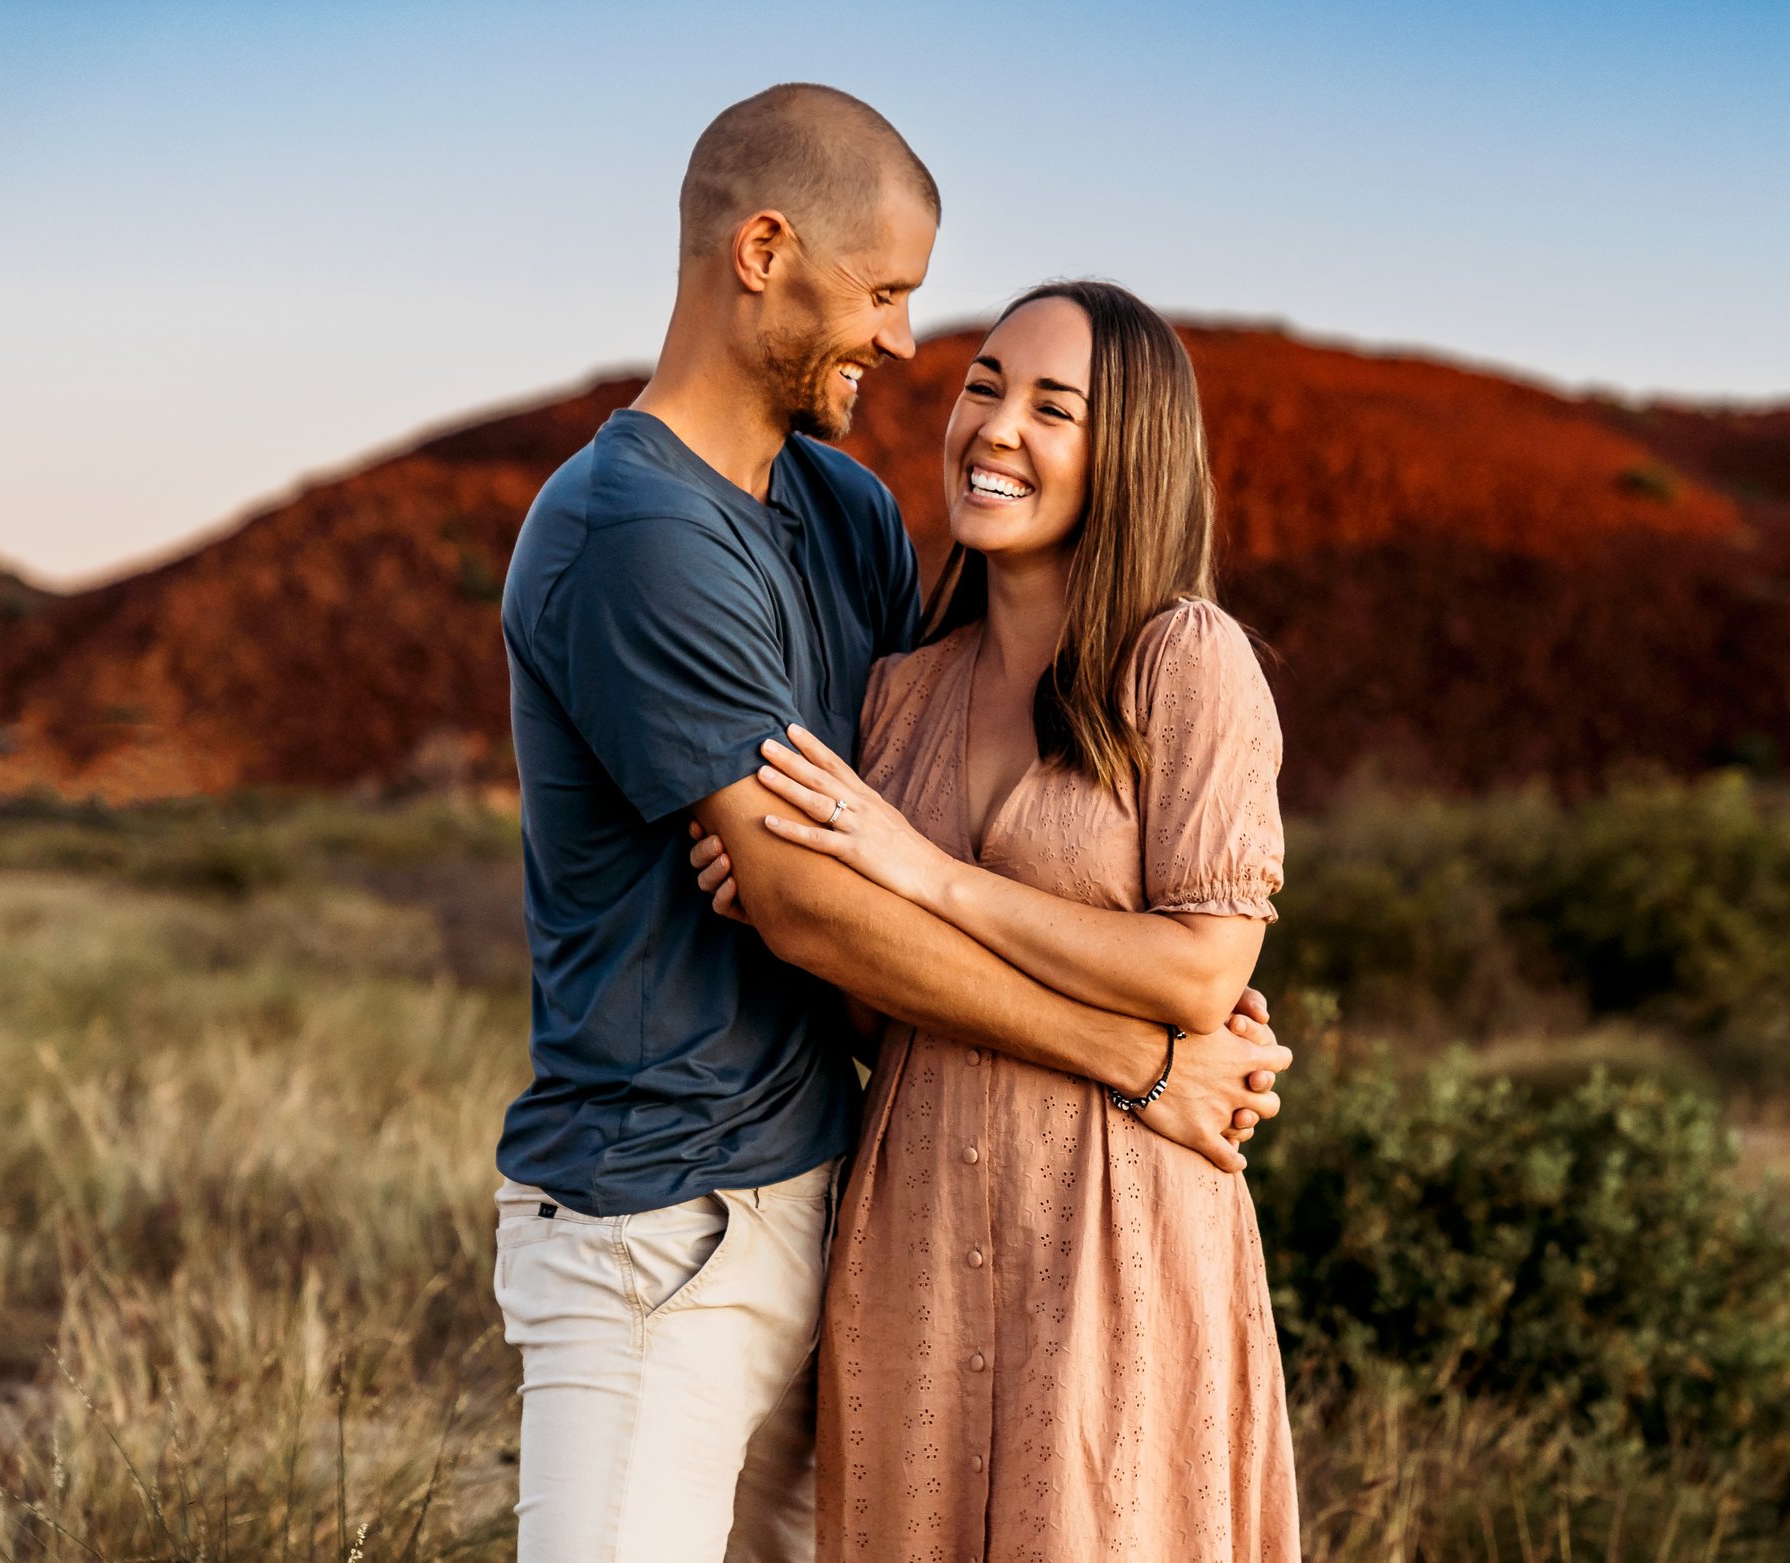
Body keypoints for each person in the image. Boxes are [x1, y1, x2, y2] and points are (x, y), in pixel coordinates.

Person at [492, 86, 1291, 1563]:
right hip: (660, 1220)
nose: (910, 347)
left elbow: (894, 864)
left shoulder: (850, 517)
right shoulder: (632, 532)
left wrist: (1161, 973)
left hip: (847, 1195)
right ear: (764, 250)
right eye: (887, 294)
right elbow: (812, 901)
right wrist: (1142, 1053)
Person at [694, 281, 1300, 1560]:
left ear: (1125, 452)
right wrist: (778, 903)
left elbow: (1199, 970)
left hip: (1115, 1229)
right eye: (983, 386)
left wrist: (920, 872)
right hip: (910, 1230)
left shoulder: (1180, 660)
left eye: (1053, 407)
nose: (996, 427)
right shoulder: (901, 695)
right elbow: (877, 1011)